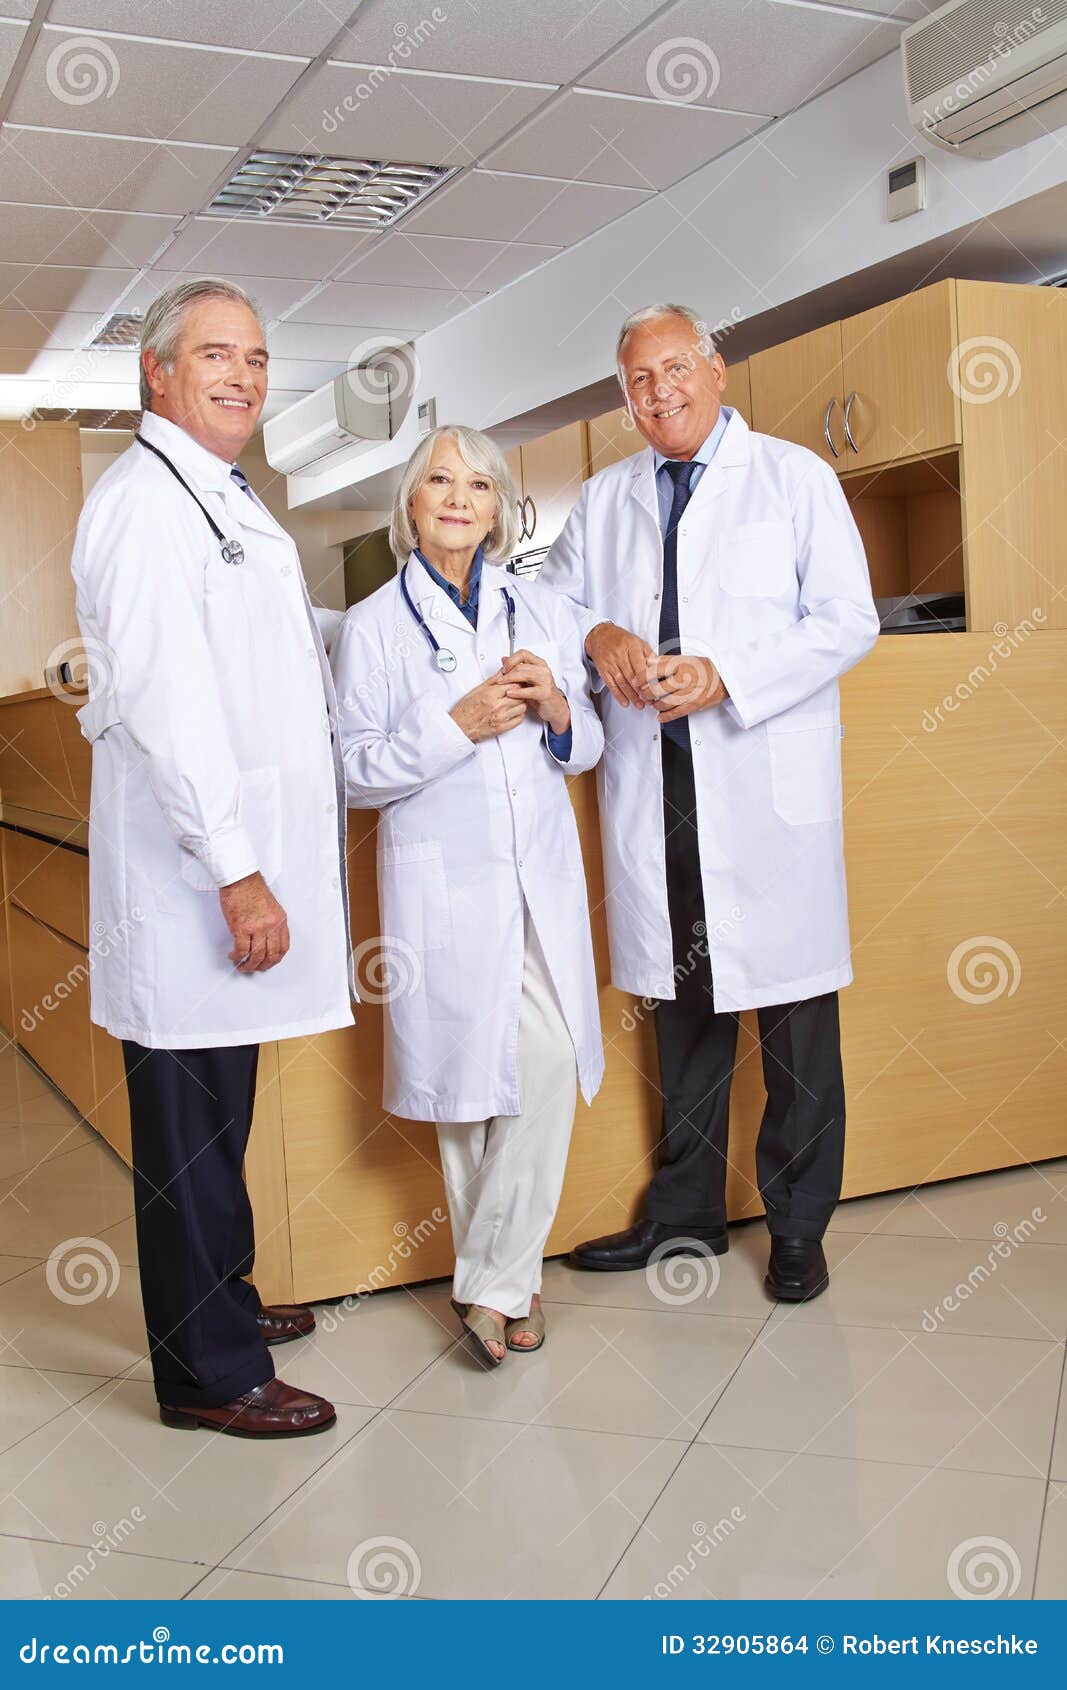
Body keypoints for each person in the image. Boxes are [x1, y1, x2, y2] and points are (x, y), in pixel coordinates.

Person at [540, 303, 879, 1302]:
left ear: (716, 370)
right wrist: (597, 631)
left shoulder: (791, 478)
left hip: (761, 790)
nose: (659, 394)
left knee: (793, 1021)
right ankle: (680, 1212)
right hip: (658, 791)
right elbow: (549, 604)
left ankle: (799, 1229)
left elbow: (846, 619)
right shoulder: (603, 499)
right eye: (637, 380)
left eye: (674, 369)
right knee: (681, 1010)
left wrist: (728, 673)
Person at [71, 278, 354, 1435]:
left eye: (254, 356)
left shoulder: (221, 499)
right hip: (191, 882)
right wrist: (236, 870)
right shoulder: (143, 505)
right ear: (158, 371)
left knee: (219, 1113)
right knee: (189, 1133)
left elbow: (266, 657)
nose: (242, 375)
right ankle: (209, 1372)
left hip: (227, 870)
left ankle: (221, 1299)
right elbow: (171, 709)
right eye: (215, 356)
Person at [331, 425, 604, 1364]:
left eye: (479, 485)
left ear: (498, 510)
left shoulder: (543, 610)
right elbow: (356, 770)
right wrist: (453, 728)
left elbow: (590, 747)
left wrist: (559, 708)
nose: (459, 497)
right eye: (440, 480)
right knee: (466, 1086)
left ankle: (486, 1279)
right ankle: (506, 1286)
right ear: (411, 503)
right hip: (442, 886)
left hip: (537, 880)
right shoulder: (370, 627)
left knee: (547, 1054)